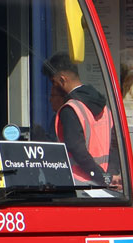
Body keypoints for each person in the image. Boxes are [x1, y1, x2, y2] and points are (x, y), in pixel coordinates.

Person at [42, 53, 112, 187]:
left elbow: (76, 149)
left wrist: (100, 176)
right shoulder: (104, 108)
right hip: (103, 183)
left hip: (77, 184)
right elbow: (114, 146)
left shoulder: (70, 109)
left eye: (53, 82)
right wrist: (108, 176)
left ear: (62, 80)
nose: (53, 87)